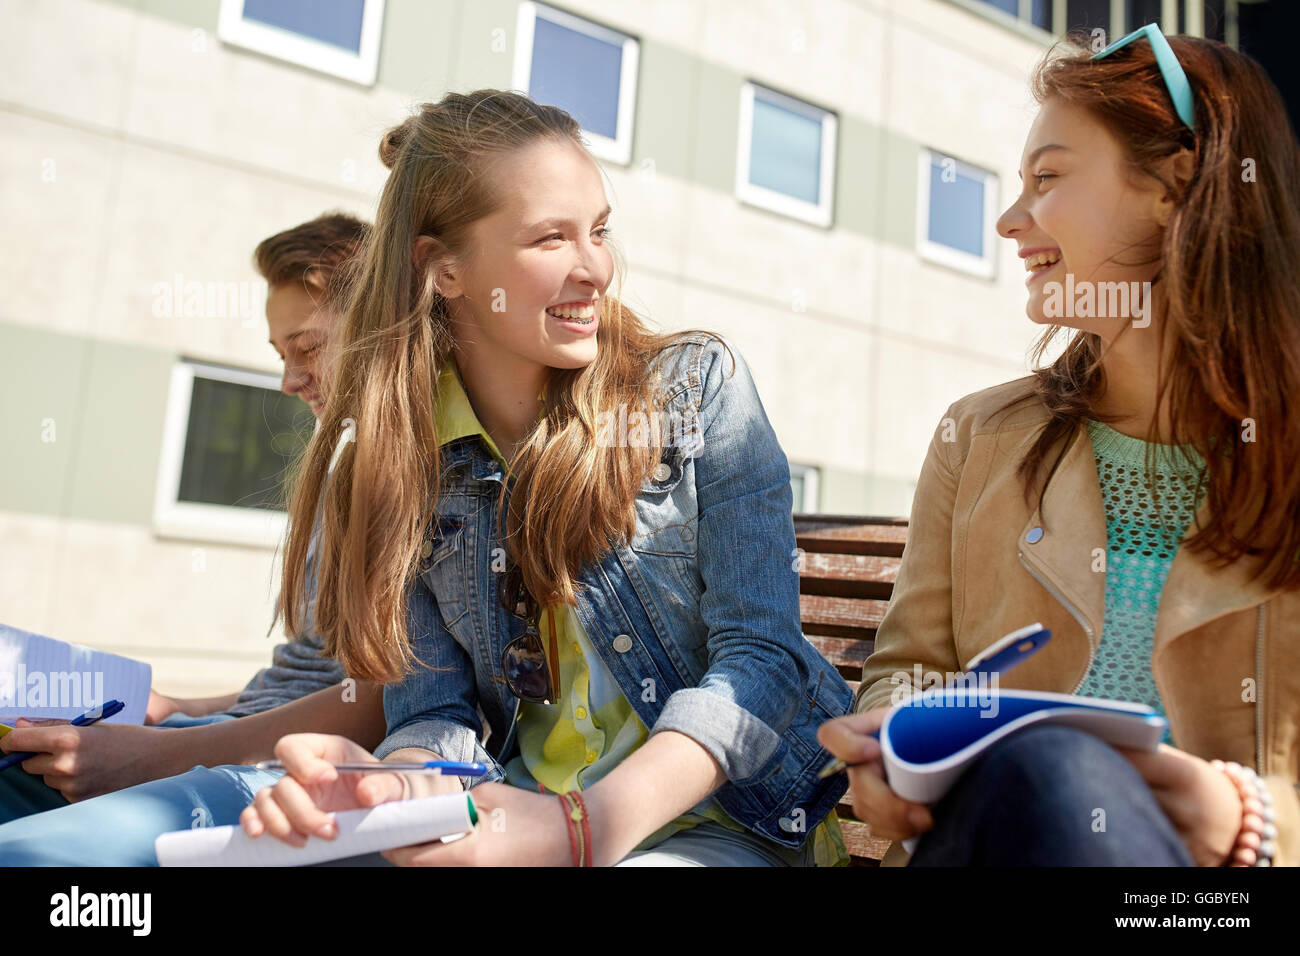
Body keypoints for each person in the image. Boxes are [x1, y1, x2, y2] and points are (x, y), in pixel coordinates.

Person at [240, 89, 853, 867]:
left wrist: (583, 828)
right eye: (550, 239)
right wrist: (396, 790)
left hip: (722, 828)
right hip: (518, 813)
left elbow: (762, 662)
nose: (595, 267)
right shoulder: (403, 460)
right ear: (445, 268)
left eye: (598, 231)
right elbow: (432, 713)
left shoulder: (696, 390)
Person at [819, 27, 1300, 867]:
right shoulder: (979, 438)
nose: (1010, 222)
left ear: (1174, 183)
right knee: (1053, 771)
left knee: (1063, 772)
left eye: (1046, 178)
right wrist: (893, 751)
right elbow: (910, 669)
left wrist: (1243, 817)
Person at [0, 213, 388, 864]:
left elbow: (382, 699)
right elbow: (311, 674)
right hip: (226, 735)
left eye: (307, 346)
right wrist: (171, 707)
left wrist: (160, 753)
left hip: (285, 766)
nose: (290, 380)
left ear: (376, 325)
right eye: (281, 355)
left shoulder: (436, 481)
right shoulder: (343, 471)